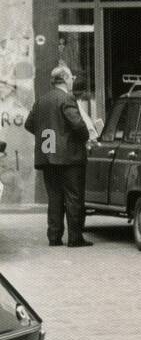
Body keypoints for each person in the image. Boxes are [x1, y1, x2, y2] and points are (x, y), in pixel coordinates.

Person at [25, 66, 92, 247]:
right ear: (64, 78)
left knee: (54, 198)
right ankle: (75, 238)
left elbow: (29, 124)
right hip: (69, 157)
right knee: (74, 197)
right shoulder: (67, 98)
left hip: (48, 157)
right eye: (71, 77)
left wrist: (48, 134)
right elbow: (77, 125)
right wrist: (85, 137)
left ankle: (54, 237)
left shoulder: (41, 101)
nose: (73, 80)